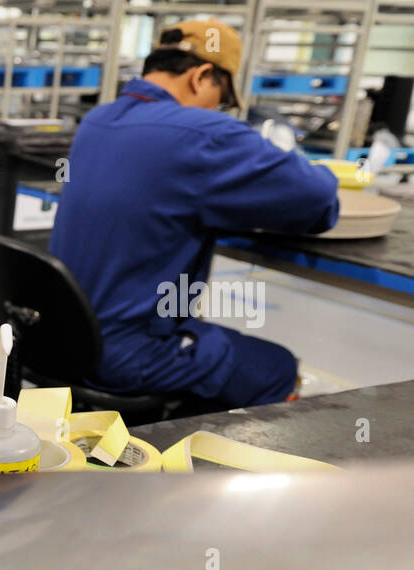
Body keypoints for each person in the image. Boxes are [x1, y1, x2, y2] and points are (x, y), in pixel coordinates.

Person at [49, 20, 340, 409]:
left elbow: (159, 191)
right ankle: (188, 457)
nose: (220, 110)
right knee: (275, 369)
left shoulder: (98, 121)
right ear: (203, 76)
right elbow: (318, 199)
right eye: (221, 98)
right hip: (128, 354)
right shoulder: (204, 133)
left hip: (63, 339)